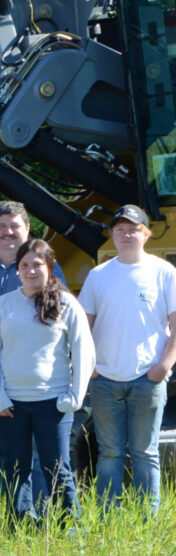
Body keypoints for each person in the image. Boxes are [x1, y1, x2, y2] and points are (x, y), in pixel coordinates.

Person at [0, 201, 65, 515]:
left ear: (27, 229)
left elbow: (63, 316)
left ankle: (30, 516)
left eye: (14, 225)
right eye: (1, 226)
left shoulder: (45, 267)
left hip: (32, 380)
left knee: (30, 452)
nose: (8, 232)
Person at [0, 239, 93, 519]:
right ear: (17, 269)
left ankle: (69, 525)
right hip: (12, 404)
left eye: (37, 265)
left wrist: (74, 397)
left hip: (53, 403)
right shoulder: (2, 305)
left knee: (56, 467)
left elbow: (84, 352)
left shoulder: (67, 304)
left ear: (50, 266)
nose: (30, 271)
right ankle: (21, 522)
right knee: (16, 467)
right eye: (24, 265)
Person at [79, 204, 176, 512]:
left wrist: (164, 366)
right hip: (105, 379)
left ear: (145, 233)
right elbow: (82, 326)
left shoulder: (164, 273)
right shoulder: (98, 276)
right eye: (119, 229)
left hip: (147, 378)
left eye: (133, 229)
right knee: (110, 453)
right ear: (112, 235)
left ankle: (147, 519)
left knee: (145, 453)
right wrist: (89, 367)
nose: (126, 234)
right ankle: (109, 516)